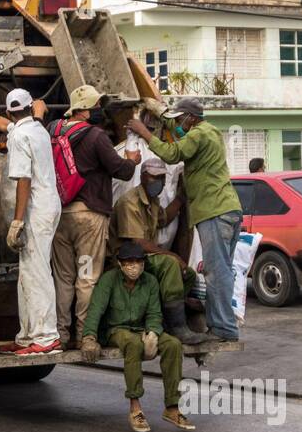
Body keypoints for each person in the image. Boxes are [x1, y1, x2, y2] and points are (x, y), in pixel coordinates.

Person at [127, 96, 242, 342]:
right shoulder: (206, 132)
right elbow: (178, 134)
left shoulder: (199, 134)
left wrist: (144, 133)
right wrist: (160, 112)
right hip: (226, 209)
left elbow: (172, 153)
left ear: (191, 119)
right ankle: (223, 325)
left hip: (214, 210)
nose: (178, 125)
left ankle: (223, 328)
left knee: (216, 271)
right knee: (222, 270)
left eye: (180, 120)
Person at [0, 89, 62, 355]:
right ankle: (27, 336)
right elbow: (9, 126)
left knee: (38, 272)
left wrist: (16, 221)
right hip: (48, 205)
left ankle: (47, 336)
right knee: (28, 274)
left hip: (36, 211)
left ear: (9, 111)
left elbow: (23, 181)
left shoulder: (20, 136)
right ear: (31, 110)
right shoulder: (38, 129)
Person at [46, 85, 136, 348]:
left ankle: (60, 334)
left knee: (63, 277)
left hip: (60, 216)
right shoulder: (96, 136)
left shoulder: (53, 131)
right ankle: (85, 335)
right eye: (95, 106)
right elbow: (121, 171)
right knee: (86, 277)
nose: (99, 111)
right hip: (88, 218)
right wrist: (131, 159)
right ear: (83, 111)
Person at [81, 240, 194, 432]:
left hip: (142, 328)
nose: (133, 266)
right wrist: (89, 337)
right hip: (117, 329)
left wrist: (152, 333)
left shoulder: (149, 281)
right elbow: (95, 310)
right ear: (120, 263)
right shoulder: (109, 280)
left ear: (143, 262)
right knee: (133, 344)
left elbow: (154, 313)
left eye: (137, 261)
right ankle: (135, 407)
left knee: (173, 344)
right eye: (128, 261)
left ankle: (172, 407)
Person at [111, 157, 208, 345]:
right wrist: (172, 255)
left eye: (162, 178)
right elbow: (137, 243)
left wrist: (180, 198)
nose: (159, 182)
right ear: (143, 177)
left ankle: (168, 315)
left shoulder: (152, 201)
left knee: (188, 274)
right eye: (154, 178)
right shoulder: (129, 202)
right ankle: (178, 327)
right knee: (171, 264)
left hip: (144, 256)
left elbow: (164, 219)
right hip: (128, 257)